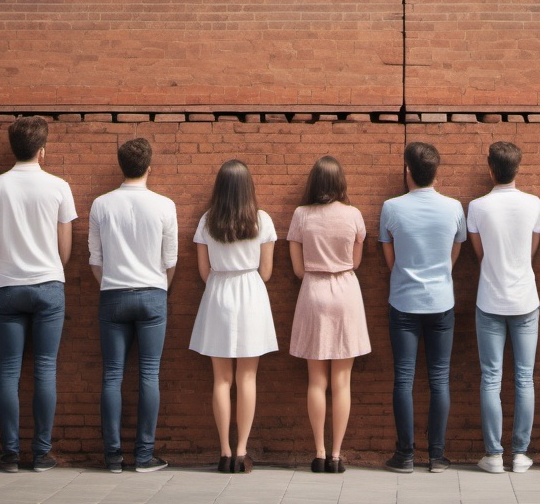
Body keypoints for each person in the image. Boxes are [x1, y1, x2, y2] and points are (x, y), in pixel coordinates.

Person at [0, 116, 77, 473]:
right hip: (49, 284)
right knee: (45, 368)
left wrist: (2, 269)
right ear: (42, 151)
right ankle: (41, 454)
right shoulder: (59, 186)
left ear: (13, 148)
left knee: (9, 370)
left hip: (7, 286)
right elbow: (65, 247)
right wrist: (50, 267)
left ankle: (10, 454)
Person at [89, 138, 178, 474]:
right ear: (149, 168)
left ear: (121, 166)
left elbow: (95, 260)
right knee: (149, 374)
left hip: (113, 294)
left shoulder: (101, 204)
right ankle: (144, 456)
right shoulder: (165, 205)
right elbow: (170, 261)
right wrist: (160, 290)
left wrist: (110, 284)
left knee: (112, 375)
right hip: (153, 293)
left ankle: (113, 457)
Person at [379, 142, 466, 473]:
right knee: (439, 378)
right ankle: (436, 456)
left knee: (404, 377)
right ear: (435, 172)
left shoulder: (391, 207)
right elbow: (455, 249)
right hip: (441, 301)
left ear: (408, 172)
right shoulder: (454, 207)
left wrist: (405, 274)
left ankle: (405, 455)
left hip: (403, 301)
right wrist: (442, 272)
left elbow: (389, 257)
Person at [189, 159, 278, 474]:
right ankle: (241, 452)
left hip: (218, 293)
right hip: (251, 292)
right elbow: (266, 272)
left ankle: (224, 453)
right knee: (247, 378)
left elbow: (203, 271)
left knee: (221, 379)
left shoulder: (207, 220)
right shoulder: (262, 220)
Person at [288, 156, 369, 473]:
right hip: (346, 292)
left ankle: (319, 453)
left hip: (314, 292)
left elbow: (298, 269)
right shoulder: (353, 215)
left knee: (316, 381)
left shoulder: (301, 215)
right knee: (342, 382)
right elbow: (355, 262)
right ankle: (336, 456)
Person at [468, 141, 540, 474]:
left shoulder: (477, 207)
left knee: (491, 378)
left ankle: (494, 455)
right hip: (525, 299)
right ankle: (520, 455)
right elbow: (532, 250)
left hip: (490, 299)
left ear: (490, 169)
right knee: (524, 378)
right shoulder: (533, 204)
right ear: (518, 168)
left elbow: (480, 254)